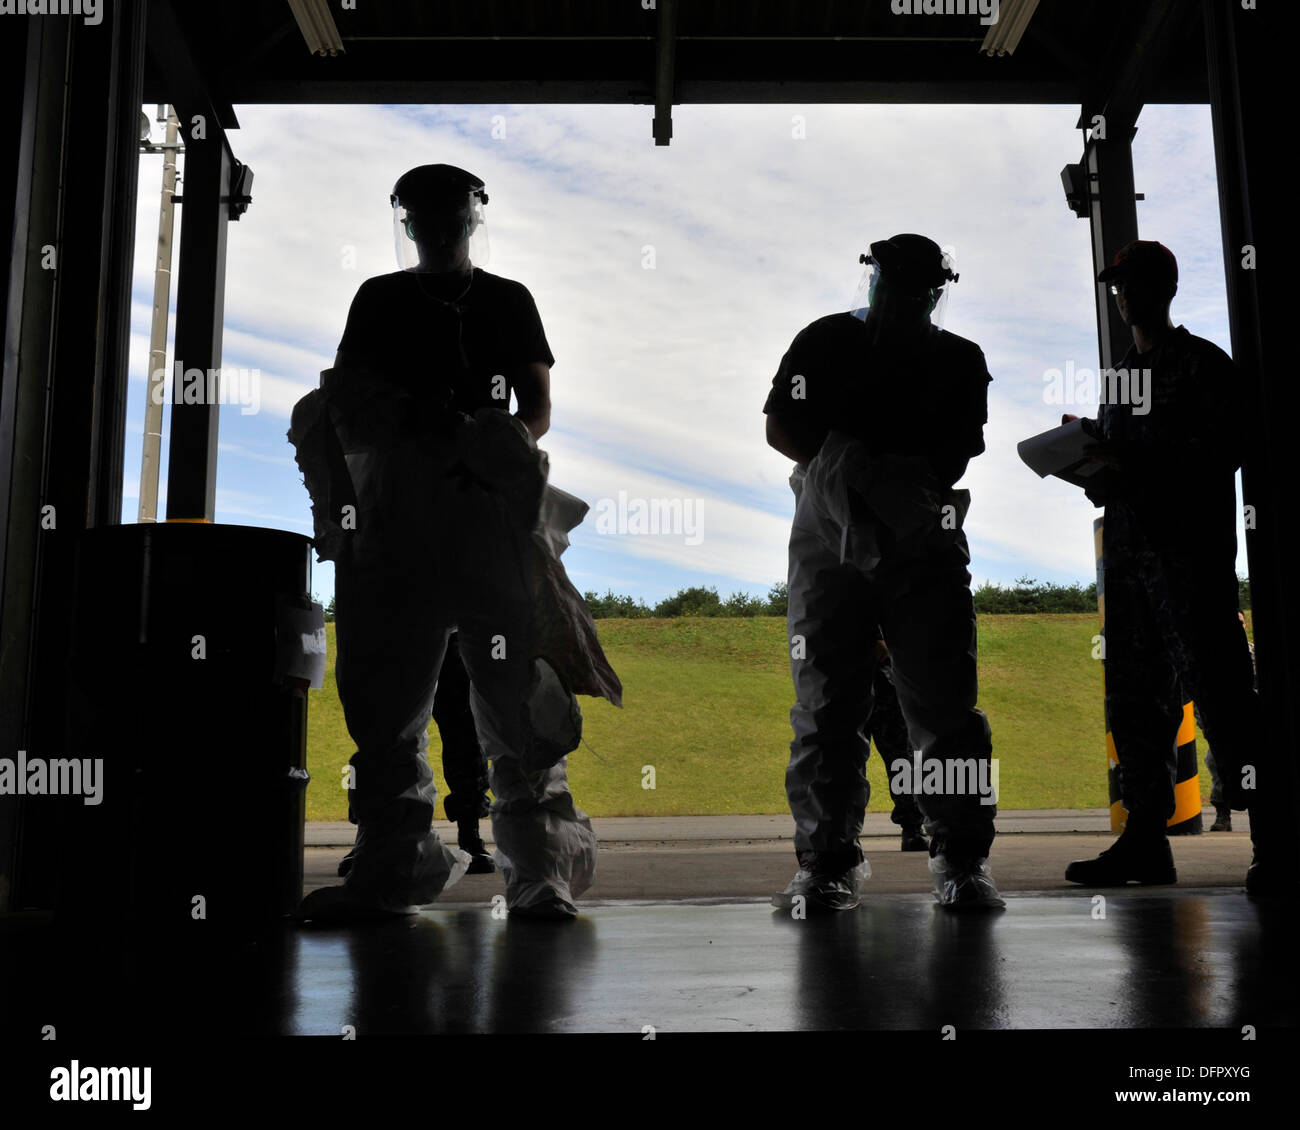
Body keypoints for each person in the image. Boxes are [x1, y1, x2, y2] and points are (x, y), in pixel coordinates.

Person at [289, 163, 620, 922]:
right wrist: (430, 431)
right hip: (399, 522)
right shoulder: (378, 297)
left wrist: (483, 443)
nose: (438, 225)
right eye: (424, 213)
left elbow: (534, 408)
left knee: (516, 696)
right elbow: (353, 403)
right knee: (384, 700)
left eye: (450, 211)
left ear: (472, 217)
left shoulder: (507, 300)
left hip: (487, 520)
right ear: (408, 221)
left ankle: (539, 876)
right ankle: (394, 869)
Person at [764, 233, 1003, 911]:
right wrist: (853, 476)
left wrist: (881, 485)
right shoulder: (823, 342)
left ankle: (961, 859)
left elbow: (954, 456)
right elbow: (781, 426)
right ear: (872, 282)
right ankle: (825, 859)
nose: (895, 299)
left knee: (944, 703)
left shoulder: (959, 360)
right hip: (828, 537)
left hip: (921, 537)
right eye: (888, 285)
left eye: (912, 289)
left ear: (935, 292)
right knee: (827, 705)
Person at [1061, 240, 1274, 892]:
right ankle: (1145, 843)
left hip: (1189, 566)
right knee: (1135, 708)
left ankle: (1275, 841)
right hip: (1129, 571)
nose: (1124, 296)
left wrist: (1131, 464)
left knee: (1226, 703)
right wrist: (1086, 462)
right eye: (1119, 285)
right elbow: (1114, 477)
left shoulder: (1204, 366)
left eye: (1135, 283)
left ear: (1166, 288)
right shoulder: (1122, 376)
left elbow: (1222, 455)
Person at [336, 632, 495, 877]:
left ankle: (469, 833)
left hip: (435, 627)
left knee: (462, 731)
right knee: (381, 729)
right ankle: (372, 831)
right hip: (400, 625)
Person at [867, 637, 929, 852]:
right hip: (856, 671)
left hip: (882, 676)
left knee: (901, 758)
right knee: (844, 758)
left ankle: (912, 827)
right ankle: (839, 832)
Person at [1199, 611, 1254, 832]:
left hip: (1251, 724)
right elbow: (1202, 694)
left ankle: (1256, 815)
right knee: (1217, 764)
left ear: (1245, 624)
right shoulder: (1213, 658)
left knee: (1253, 770)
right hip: (1222, 725)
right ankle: (1223, 815)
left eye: (1240, 622)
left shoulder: (1254, 654)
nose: (1238, 626)